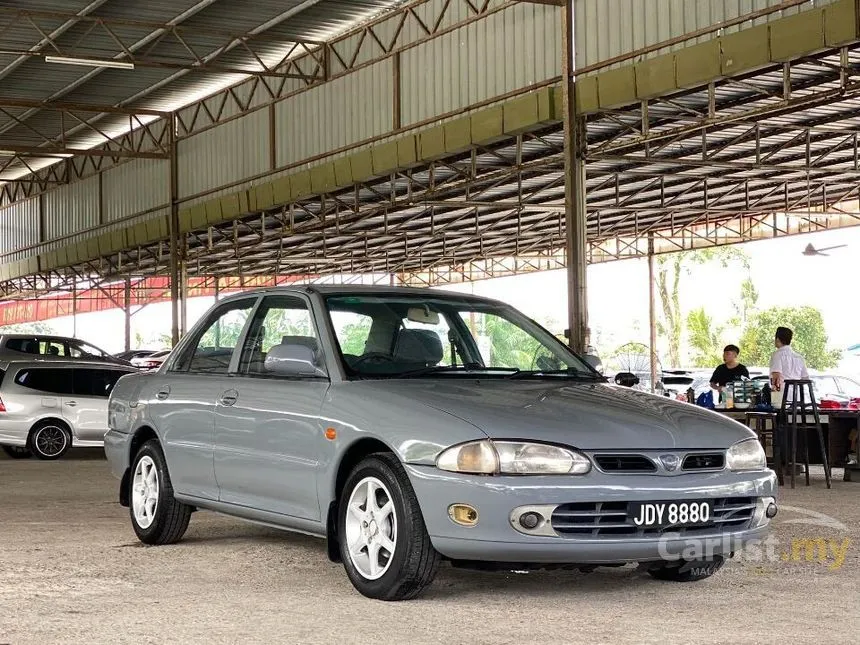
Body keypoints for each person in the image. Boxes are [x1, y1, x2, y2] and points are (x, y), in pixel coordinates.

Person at [769, 326, 808, 392]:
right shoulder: (799, 357)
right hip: (797, 395)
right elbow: (805, 378)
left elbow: (776, 378)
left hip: (782, 395)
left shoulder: (777, 355)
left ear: (777, 339)